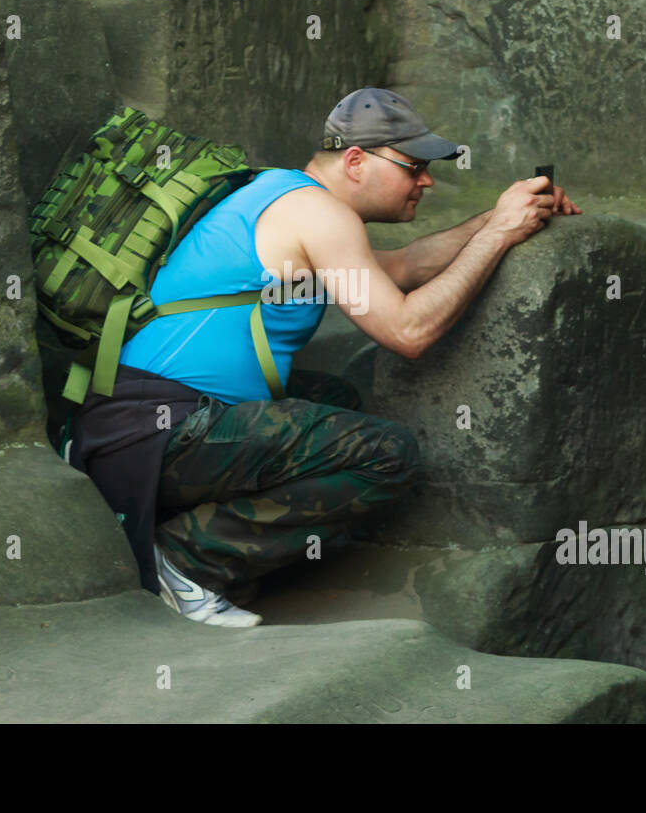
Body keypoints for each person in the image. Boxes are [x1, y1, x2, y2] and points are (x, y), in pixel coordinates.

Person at [67, 87, 581, 627]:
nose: (426, 180)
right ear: (357, 161)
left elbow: (401, 269)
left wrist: (503, 217)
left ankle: (199, 538)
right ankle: (184, 560)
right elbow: (407, 331)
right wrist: (499, 235)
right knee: (385, 452)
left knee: (335, 398)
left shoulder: (281, 193)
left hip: (127, 423)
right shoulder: (318, 214)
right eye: (413, 166)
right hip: (161, 431)